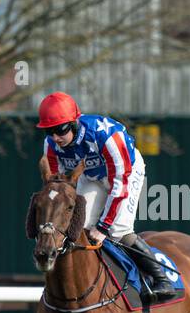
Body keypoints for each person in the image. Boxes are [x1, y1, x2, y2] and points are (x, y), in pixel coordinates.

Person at [37, 91, 177, 300]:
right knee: (78, 226)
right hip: (91, 176)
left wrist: (103, 226)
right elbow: (59, 185)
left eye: (60, 130)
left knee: (118, 229)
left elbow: (120, 184)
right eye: (49, 131)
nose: (56, 137)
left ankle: (161, 279)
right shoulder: (51, 146)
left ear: (74, 123)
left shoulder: (107, 136)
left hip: (125, 173)